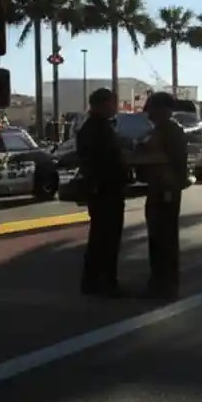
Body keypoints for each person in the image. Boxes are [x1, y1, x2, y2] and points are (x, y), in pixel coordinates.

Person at [75, 87, 128, 297]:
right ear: (102, 104)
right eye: (112, 103)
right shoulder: (98, 129)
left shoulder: (93, 127)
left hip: (101, 188)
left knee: (100, 236)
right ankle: (105, 282)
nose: (115, 107)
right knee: (107, 237)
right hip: (106, 189)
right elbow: (106, 159)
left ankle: (94, 281)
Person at [139, 92, 188, 299]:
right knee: (159, 237)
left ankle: (163, 284)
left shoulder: (170, 131)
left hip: (165, 190)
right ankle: (161, 282)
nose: (148, 113)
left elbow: (164, 158)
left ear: (163, 110)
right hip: (160, 189)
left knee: (163, 238)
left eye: (151, 108)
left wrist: (139, 157)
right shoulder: (161, 130)